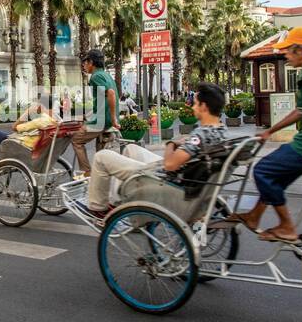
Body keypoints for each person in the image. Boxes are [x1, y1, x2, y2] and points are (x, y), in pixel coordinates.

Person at [226, 28, 302, 243]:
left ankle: (286, 227)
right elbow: (300, 111)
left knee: (263, 170)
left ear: (300, 50)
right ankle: (255, 216)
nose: (285, 55)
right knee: (277, 177)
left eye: (288, 51)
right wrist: (269, 131)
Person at [84, 82, 229, 219]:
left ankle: (98, 208)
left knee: (101, 157)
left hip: (165, 177)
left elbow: (170, 165)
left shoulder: (200, 135)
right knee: (130, 149)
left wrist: (171, 144)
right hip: (184, 173)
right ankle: (117, 202)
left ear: (204, 106)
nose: (192, 107)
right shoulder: (221, 130)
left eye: (196, 104)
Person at [71, 49, 119, 176]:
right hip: (104, 119)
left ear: (91, 62)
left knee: (76, 140)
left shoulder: (95, 77)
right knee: (100, 155)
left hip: (103, 120)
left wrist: (113, 119)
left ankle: (87, 172)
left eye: (85, 62)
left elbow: (111, 94)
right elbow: (103, 100)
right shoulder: (106, 75)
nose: (84, 66)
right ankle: (99, 176)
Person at [0, 98, 54, 162]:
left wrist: (27, 112)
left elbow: (14, 127)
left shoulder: (39, 121)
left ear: (40, 105)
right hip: (36, 148)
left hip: (22, 146)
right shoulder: (54, 122)